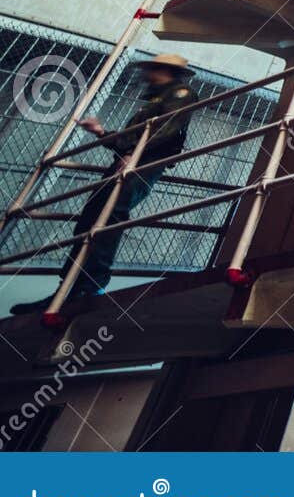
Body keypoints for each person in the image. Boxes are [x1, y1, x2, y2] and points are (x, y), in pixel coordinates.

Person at [10, 54, 196, 315]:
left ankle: (89, 286)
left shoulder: (180, 94)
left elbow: (164, 130)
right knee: (91, 219)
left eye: (151, 70)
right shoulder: (157, 98)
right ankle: (70, 289)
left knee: (109, 217)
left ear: (163, 70)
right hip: (129, 162)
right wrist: (101, 133)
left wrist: (135, 153)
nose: (146, 75)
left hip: (143, 164)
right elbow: (135, 136)